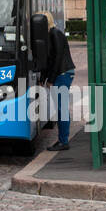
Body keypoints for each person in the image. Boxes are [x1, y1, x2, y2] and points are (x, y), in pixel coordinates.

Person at [40, 12, 76, 151]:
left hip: (62, 73)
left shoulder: (55, 34)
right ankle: (62, 140)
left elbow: (56, 58)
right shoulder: (52, 34)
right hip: (63, 73)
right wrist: (44, 78)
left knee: (62, 108)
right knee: (61, 108)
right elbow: (48, 60)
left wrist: (51, 79)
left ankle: (63, 141)